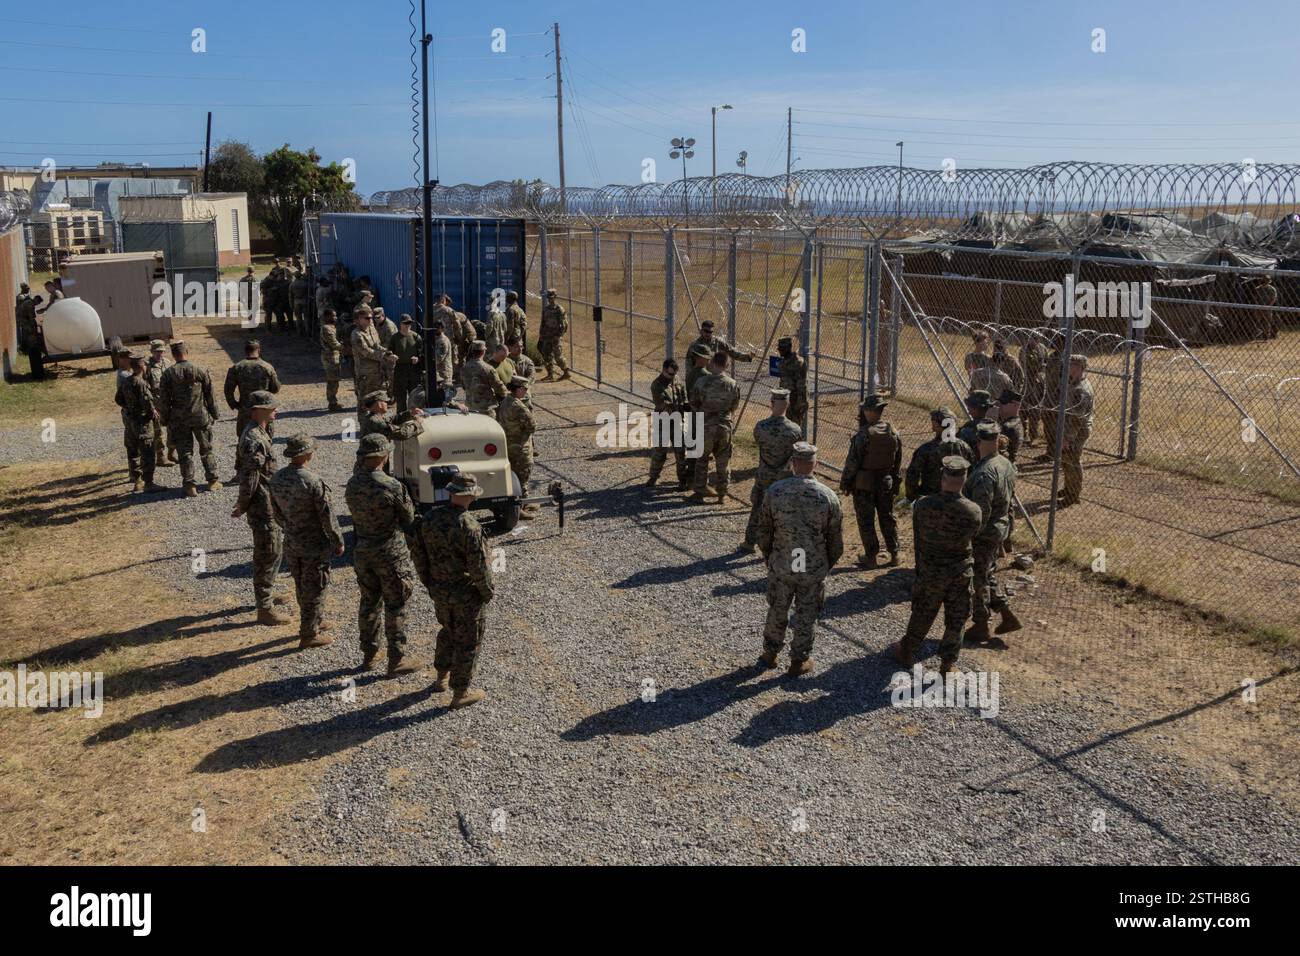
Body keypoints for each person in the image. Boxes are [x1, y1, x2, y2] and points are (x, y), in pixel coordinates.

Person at [757, 441, 844, 677]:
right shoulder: (828, 497)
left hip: (783, 563)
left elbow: (764, 531)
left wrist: (769, 556)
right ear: (814, 464)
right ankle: (799, 660)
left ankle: (770, 653)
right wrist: (825, 564)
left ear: (793, 463)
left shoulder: (775, 491)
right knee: (807, 614)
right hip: (812, 566)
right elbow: (835, 541)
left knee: (777, 608)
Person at [893, 455, 984, 674]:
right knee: (956, 617)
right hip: (959, 571)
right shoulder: (973, 511)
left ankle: (907, 649)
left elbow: (917, 536)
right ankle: (947, 663)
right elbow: (974, 537)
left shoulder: (924, 505)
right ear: (964, 479)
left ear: (943, 477)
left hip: (931, 569)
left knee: (923, 612)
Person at [410, 474, 494, 708]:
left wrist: (429, 582)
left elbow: (418, 555)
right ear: (472, 495)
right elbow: (479, 566)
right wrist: (487, 592)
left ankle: (441, 678)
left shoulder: (429, 519)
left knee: (447, 631)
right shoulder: (470, 526)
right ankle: (460, 693)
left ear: (450, 492)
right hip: (466, 593)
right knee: (468, 641)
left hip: (439, 590)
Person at [344, 434, 421, 675]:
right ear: (382, 456)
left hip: (363, 550)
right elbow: (409, 520)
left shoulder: (353, 484)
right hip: (390, 553)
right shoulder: (391, 485)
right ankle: (396, 659)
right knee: (395, 605)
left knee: (369, 602)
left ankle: (369, 655)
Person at [271, 433, 345, 650]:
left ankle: (316, 620)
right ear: (306, 454)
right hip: (314, 543)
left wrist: (290, 527)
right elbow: (327, 516)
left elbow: (275, 512)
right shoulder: (312, 481)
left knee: (302, 583)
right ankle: (308, 634)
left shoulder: (277, 479)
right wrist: (337, 540)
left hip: (292, 539)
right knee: (315, 586)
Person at [231, 390, 288, 626]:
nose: (275, 410)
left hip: (269, 501)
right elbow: (250, 477)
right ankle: (264, 609)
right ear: (257, 411)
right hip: (262, 505)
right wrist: (242, 504)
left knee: (274, 550)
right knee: (267, 553)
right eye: (271, 407)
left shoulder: (261, 432)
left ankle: (268, 594)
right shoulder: (254, 438)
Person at [963, 421, 1021, 646]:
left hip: (984, 533)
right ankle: (1007, 615)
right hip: (1000, 527)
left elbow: (980, 512)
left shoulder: (985, 473)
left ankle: (981, 625)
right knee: (987, 572)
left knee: (978, 578)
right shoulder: (1005, 463)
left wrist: (969, 535)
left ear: (978, 442)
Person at [839, 394, 902, 568]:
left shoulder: (863, 435)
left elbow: (852, 462)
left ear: (868, 411)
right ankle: (895, 553)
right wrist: (895, 482)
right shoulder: (893, 432)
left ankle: (871, 557)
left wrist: (845, 483)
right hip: (885, 481)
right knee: (887, 517)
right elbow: (897, 461)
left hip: (864, 484)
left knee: (866, 520)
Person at [158, 340, 221, 497]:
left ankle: (189, 485)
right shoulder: (199, 370)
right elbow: (209, 394)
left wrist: (164, 419)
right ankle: (212, 481)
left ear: (173, 355)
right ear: (187, 351)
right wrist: (214, 413)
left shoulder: (168, 374)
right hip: (200, 417)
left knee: (185, 453)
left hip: (179, 420)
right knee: (206, 449)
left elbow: (164, 400)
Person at [743, 388, 802, 553]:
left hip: (764, 474)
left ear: (771, 403)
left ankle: (749, 542)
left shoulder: (761, 427)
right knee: (783, 511)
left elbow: (759, 444)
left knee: (758, 508)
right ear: (788, 404)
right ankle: (782, 545)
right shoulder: (795, 430)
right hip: (784, 477)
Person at [688, 350, 740, 503]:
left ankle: (700, 491)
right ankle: (722, 494)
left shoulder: (701, 382)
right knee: (723, 461)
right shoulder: (732, 384)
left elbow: (694, 403)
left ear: (712, 363)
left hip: (705, 425)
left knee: (702, 459)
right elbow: (734, 405)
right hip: (724, 426)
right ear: (727, 365)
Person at [223, 339, 281, 474]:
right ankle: (265, 469)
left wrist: (234, 404)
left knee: (243, 440)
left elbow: (228, 389)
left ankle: (240, 471)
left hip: (245, 409)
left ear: (245, 351)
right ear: (259, 350)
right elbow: (275, 388)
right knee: (266, 439)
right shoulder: (267, 367)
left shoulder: (237, 367)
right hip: (264, 410)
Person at [114, 352, 162, 494]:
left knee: (133, 452)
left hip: (130, 424)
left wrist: (129, 407)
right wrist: (151, 412)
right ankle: (149, 483)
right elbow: (147, 403)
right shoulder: (141, 383)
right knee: (147, 453)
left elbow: (118, 399)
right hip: (142, 424)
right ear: (142, 366)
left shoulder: (127, 381)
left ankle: (137, 481)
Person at [904, 406, 973, 501]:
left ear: (937, 425)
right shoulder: (964, 447)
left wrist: (913, 497)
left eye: (933, 420)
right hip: (957, 499)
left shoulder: (926, 450)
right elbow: (972, 471)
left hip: (930, 499)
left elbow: (912, 476)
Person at [647, 358, 691, 488]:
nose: (672, 377)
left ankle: (682, 481)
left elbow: (683, 394)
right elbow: (662, 405)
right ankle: (653, 477)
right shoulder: (656, 385)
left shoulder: (677, 379)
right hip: (663, 422)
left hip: (678, 422)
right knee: (660, 452)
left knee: (680, 452)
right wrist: (681, 408)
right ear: (664, 370)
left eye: (674, 374)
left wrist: (687, 403)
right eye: (670, 374)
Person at [499, 376, 538, 518]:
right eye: (525, 389)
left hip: (509, 445)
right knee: (522, 475)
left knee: (515, 475)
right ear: (519, 389)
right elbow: (532, 425)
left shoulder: (505, 401)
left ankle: (524, 501)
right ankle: (518, 508)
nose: (526, 392)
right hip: (520, 446)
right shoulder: (518, 405)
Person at [1059, 355, 1094, 508]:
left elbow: (1076, 419)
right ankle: (1068, 488)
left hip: (1077, 430)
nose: (1069, 366)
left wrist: (1068, 438)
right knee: (1066, 460)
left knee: (1072, 460)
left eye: (1072, 364)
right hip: (1070, 427)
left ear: (1080, 368)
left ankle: (1073, 494)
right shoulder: (1073, 382)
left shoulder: (1081, 391)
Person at [349, 305, 395, 410]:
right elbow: (366, 352)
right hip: (366, 373)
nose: (371, 320)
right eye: (367, 318)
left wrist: (387, 352)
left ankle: (376, 423)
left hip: (377, 371)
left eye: (371, 317)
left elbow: (376, 345)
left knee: (378, 400)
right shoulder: (356, 334)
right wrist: (384, 356)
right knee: (365, 402)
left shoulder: (371, 328)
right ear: (359, 319)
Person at [145, 339, 176, 468]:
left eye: (162, 351)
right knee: (158, 432)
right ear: (152, 352)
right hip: (156, 404)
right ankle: (160, 456)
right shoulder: (147, 366)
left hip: (169, 403)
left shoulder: (168, 363)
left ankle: (171, 452)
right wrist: (151, 407)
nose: (160, 354)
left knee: (173, 428)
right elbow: (145, 388)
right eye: (157, 352)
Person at [461, 340, 506, 417]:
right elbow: (498, 387)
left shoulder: (465, 367)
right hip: (485, 409)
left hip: (470, 407)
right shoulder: (488, 368)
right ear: (483, 352)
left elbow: (464, 386)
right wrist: (506, 394)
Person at [389, 314, 423, 412]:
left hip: (413, 370)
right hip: (400, 369)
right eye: (405, 323)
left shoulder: (416, 336)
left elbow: (422, 353)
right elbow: (389, 351)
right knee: (400, 397)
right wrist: (391, 356)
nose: (408, 325)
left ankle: (415, 418)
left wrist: (418, 358)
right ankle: (401, 419)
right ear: (401, 324)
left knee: (415, 397)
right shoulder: (395, 337)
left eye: (409, 323)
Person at [1019, 337, 1048, 447]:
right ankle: (1023, 434)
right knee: (1023, 411)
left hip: (1038, 383)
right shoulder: (1024, 350)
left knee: (1035, 411)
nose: (1036, 341)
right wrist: (1040, 367)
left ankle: (1033, 436)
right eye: (1033, 338)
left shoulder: (1042, 348)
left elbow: (1046, 361)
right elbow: (1028, 365)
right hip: (1027, 382)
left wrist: (1042, 369)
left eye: (1037, 339)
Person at [538, 289, 571, 381]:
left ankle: (566, 372)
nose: (550, 299)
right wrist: (541, 335)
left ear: (555, 297)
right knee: (546, 355)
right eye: (548, 298)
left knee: (558, 356)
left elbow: (564, 324)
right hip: (547, 336)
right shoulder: (546, 309)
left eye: (551, 298)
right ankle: (550, 374)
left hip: (555, 337)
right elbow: (543, 323)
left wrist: (559, 335)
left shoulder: (559, 309)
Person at [689, 319, 754, 364]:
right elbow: (689, 363)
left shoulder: (717, 341)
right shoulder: (695, 345)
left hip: (714, 374)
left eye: (710, 332)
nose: (708, 334)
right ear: (701, 331)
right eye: (706, 331)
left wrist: (748, 356)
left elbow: (733, 352)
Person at [777, 336, 808, 428]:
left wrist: (799, 406)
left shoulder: (798, 363)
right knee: (785, 430)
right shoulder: (783, 363)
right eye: (779, 348)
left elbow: (802, 387)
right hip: (785, 401)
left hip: (795, 403)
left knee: (794, 430)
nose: (780, 351)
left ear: (789, 347)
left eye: (782, 348)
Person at [319, 309, 345, 411]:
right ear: (327, 317)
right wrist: (346, 348)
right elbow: (334, 344)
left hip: (334, 356)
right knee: (332, 380)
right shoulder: (326, 329)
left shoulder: (332, 327)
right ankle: (332, 403)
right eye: (333, 316)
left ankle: (333, 401)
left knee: (335, 380)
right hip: (330, 357)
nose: (335, 318)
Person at [997, 389, 1025, 464]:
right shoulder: (1016, 422)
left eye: (1004, 403)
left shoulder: (1008, 427)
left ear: (1015, 405)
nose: (1000, 405)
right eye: (1000, 402)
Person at [431, 319, 455, 406]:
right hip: (439, 373)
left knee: (446, 399)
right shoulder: (436, 339)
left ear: (442, 328)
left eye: (437, 328)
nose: (435, 329)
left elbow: (438, 358)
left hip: (444, 373)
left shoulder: (442, 341)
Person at [506, 336, 535, 407]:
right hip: (508, 390)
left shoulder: (527, 361)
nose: (520, 349)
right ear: (510, 347)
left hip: (523, 390)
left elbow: (531, 377)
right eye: (516, 347)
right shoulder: (504, 360)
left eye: (521, 346)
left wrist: (522, 388)